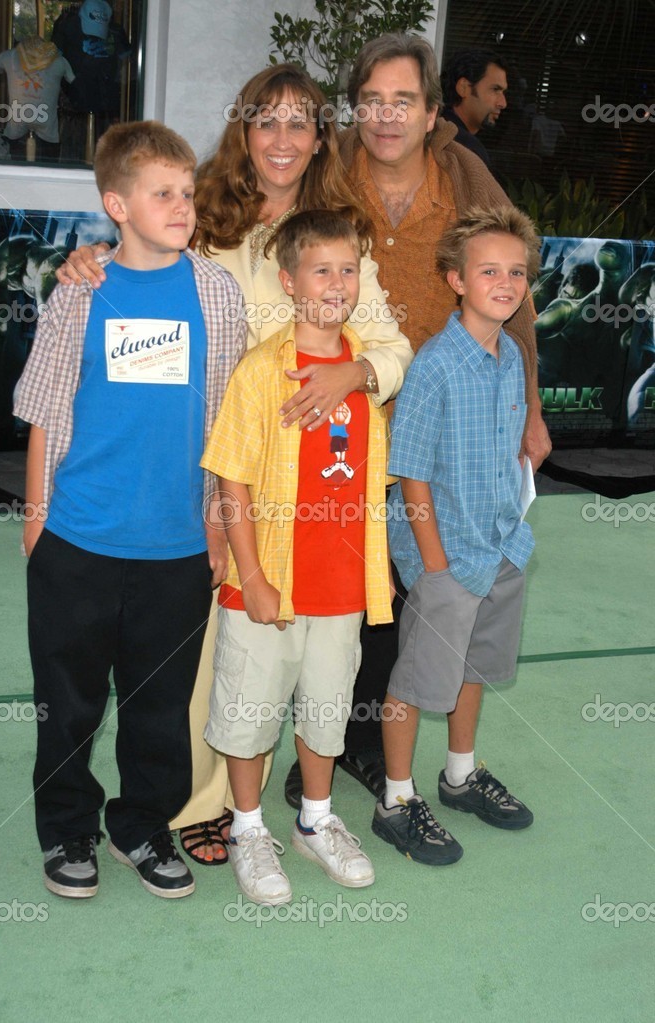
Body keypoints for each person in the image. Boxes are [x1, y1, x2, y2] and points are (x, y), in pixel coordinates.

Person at [54, 63, 412, 866]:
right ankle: (200, 802)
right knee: (208, 643)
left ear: (321, 136)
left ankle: (293, 804)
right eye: (266, 120)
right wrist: (88, 262)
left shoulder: (339, 232)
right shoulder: (203, 217)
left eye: (300, 123)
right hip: (202, 466)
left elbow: (391, 347)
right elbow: (139, 255)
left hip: (307, 483)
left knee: (294, 642)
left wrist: (349, 374)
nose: (282, 140)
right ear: (243, 131)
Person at [283, 32, 551, 807]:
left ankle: (411, 762)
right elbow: (252, 201)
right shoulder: (330, 168)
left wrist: (529, 401)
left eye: (404, 100)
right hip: (349, 413)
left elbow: (513, 284)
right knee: (361, 596)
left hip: (452, 423)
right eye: (371, 100)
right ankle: (357, 750)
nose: (386, 116)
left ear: (433, 112)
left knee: (433, 589)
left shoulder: (464, 172)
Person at [14, 120, 246, 899]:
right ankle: (68, 829)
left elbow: (224, 420)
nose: (182, 205)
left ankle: (141, 827)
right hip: (78, 538)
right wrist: (37, 512)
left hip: (176, 547)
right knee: (70, 702)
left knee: (158, 707)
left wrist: (215, 522)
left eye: (186, 192)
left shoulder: (216, 291)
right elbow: (46, 406)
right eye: (162, 193)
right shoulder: (81, 289)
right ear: (117, 203)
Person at [201, 209, 393, 904]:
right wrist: (249, 574)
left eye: (348, 269)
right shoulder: (260, 370)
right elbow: (232, 473)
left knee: (326, 709)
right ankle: (249, 827)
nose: (337, 283)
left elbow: (374, 473)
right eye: (322, 269)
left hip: (340, 585)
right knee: (249, 709)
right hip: (270, 582)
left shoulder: (364, 377)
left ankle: (316, 819)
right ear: (289, 281)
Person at [373, 205, 539, 865]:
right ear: (455, 280)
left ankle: (461, 775)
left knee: (474, 668)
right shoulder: (434, 365)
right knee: (415, 680)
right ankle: (394, 798)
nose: (505, 282)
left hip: (498, 545)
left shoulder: (511, 355)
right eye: (489, 270)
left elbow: (507, 454)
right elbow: (409, 472)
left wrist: (510, 534)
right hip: (445, 555)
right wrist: (435, 565)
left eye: (517, 271)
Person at [440, 49, 509, 169]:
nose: (503, 103)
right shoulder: (466, 150)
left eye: (503, 92)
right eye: (495, 89)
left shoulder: (434, 130)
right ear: (464, 88)